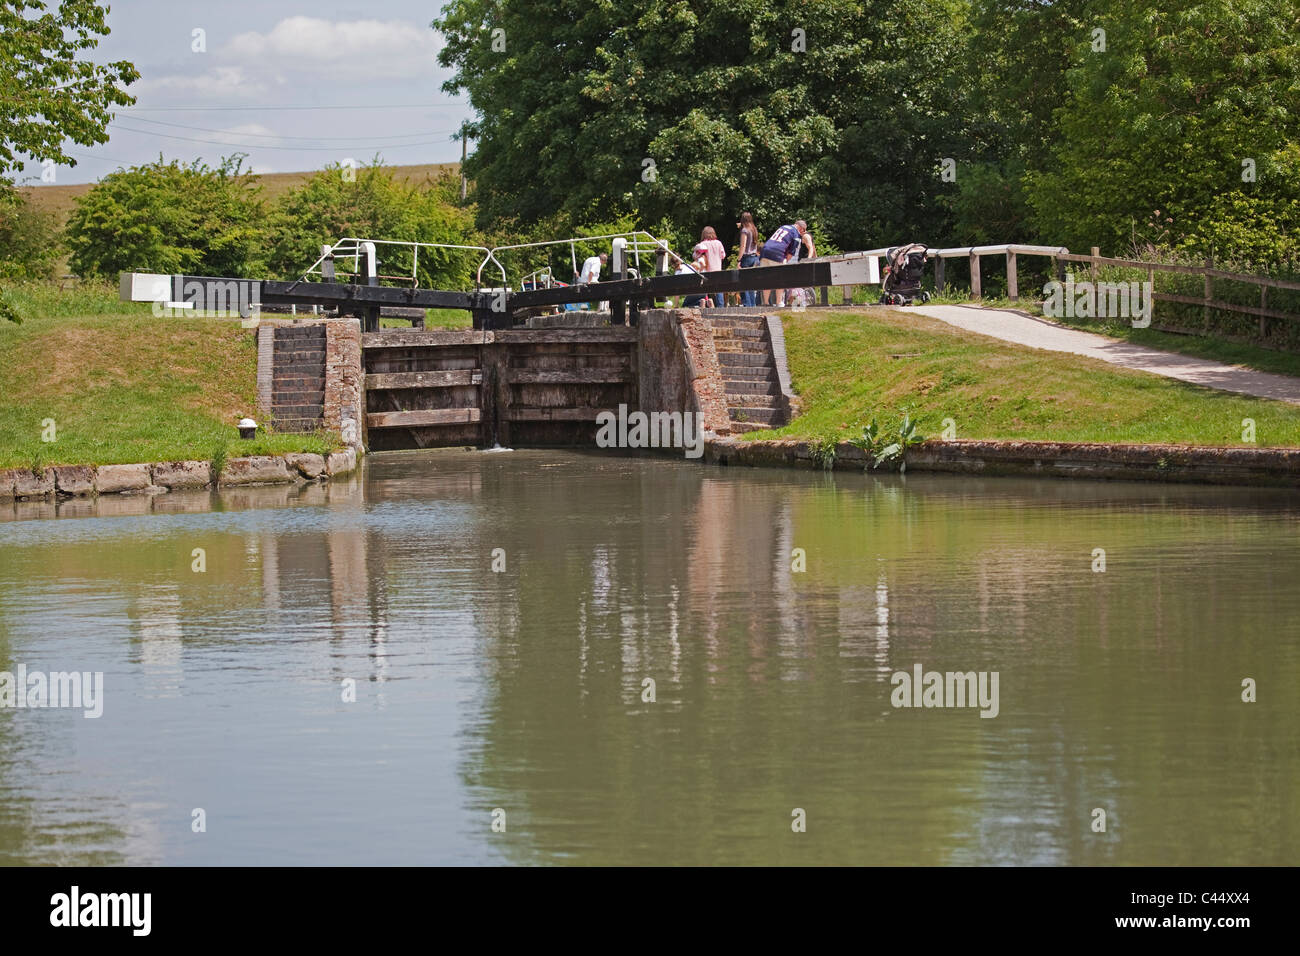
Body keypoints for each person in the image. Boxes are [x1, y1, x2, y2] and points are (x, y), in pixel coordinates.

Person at [759, 220, 806, 306]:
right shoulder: (796, 234)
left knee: (767, 279)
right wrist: (785, 262)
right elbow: (791, 253)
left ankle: (765, 302)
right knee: (780, 278)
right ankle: (778, 302)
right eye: (804, 230)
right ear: (801, 229)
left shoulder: (784, 226)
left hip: (765, 251)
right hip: (777, 253)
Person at [693, 226, 727, 307]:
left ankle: (707, 305)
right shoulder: (719, 243)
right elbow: (723, 255)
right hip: (718, 269)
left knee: (706, 289)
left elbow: (695, 256)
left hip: (707, 271)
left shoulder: (702, 244)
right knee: (719, 289)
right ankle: (721, 307)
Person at [785, 226, 816, 307]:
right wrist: (814, 259)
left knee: (795, 286)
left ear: (801, 229)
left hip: (804, 264)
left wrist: (808, 260)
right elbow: (813, 248)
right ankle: (795, 304)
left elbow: (810, 248)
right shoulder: (808, 236)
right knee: (797, 286)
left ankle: (795, 305)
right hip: (803, 264)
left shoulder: (805, 236)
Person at [736, 212, 761, 307]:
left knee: (743, 282)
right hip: (754, 258)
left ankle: (747, 304)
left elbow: (743, 246)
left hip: (746, 258)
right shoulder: (754, 229)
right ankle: (752, 304)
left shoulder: (744, 231)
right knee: (751, 283)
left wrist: (738, 260)